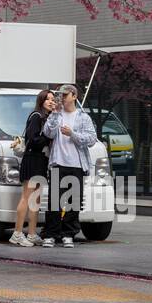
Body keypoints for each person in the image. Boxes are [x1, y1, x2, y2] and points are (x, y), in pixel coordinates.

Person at [39, 84, 97, 248]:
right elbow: (47, 133)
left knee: (73, 202)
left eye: (65, 95)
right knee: (54, 201)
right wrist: (55, 114)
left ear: (74, 96)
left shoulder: (83, 117)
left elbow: (92, 139)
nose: (62, 98)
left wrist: (72, 134)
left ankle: (68, 235)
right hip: (58, 162)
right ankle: (51, 234)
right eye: (61, 95)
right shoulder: (56, 114)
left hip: (77, 164)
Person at [10, 89, 55, 246]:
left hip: (41, 161)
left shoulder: (46, 118)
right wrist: (47, 137)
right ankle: (17, 234)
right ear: (41, 101)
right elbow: (33, 139)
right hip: (31, 159)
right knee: (26, 197)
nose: (51, 102)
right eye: (47, 99)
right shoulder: (36, 116)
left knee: (35, 199)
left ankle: (31, 233)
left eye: (52, 99)